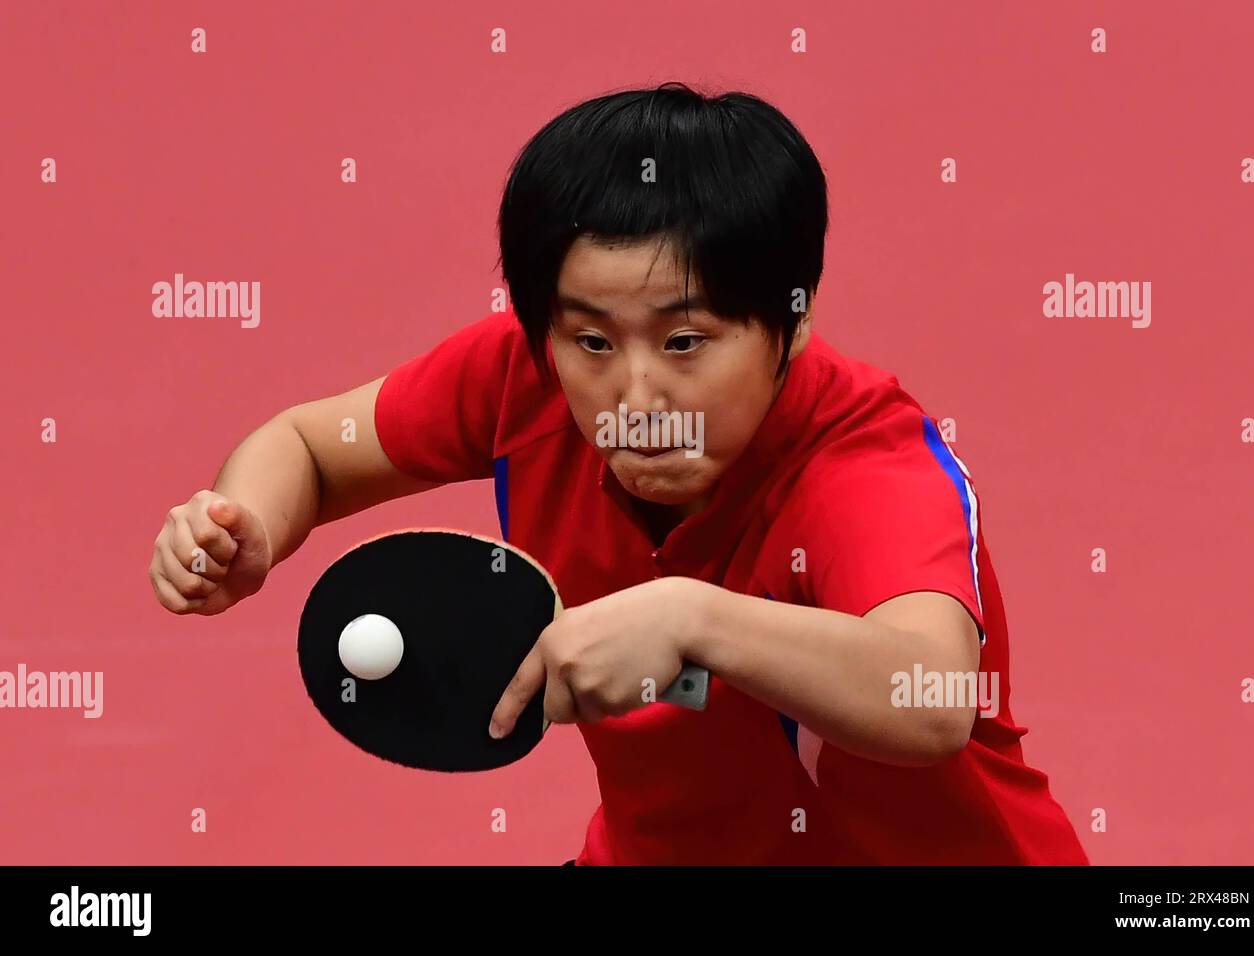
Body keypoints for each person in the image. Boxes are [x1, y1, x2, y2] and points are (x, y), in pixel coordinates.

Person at [148, 82, 1088, 866]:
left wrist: (689, 618)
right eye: (591, 337)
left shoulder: (864, 464)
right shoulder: (526, 376)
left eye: (686, 341)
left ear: (791, 326)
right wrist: (250, 524)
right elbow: (310, 446)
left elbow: (926, 697)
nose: (635, 389)